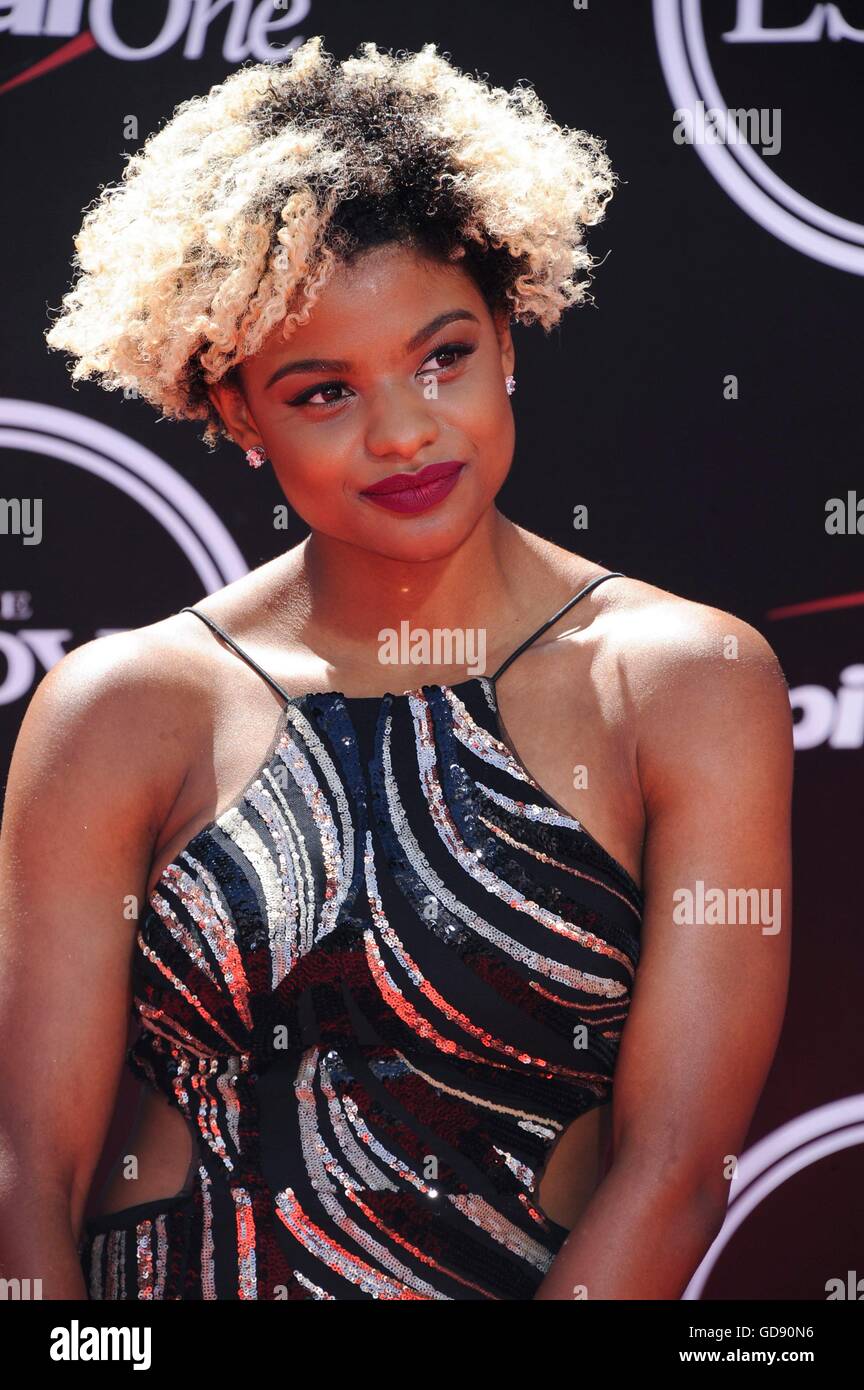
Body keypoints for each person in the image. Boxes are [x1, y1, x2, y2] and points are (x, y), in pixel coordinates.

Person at [0, 36, 792, 1301]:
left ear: (508, 339)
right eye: (323, 391)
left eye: (443, 357)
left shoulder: (685, 678)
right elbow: (24, 1171)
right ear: (237, 414)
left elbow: (677, 1165)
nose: (406, 429)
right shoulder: (122, 707)